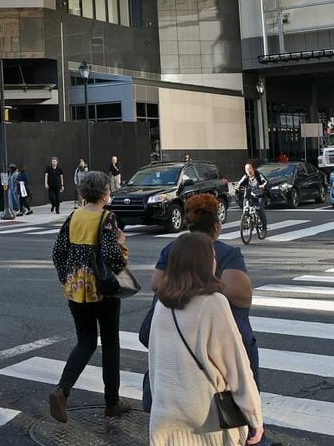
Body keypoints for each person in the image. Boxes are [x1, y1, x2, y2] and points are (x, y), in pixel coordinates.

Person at [150, 195, 274, 446]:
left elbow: (154, 361)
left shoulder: (163, 302)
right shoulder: (214, 302)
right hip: (206, 417)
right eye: (211, 256)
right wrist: (254, 416)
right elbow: (236, 365)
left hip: (166, 412)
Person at [49, 171, 130, 422]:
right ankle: (112, 403)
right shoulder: (107, 218)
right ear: (105, 194)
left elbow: (58, 253)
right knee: (110, 344)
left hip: (76, 289)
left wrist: (68, 278)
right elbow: (113, 258)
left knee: (85, 341)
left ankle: (62, 390)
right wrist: (122, 242)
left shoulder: (73, 216)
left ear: (83, 193)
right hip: (103, 291)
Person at [233, 162, 269, 232]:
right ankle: (246, 218)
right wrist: (237, 187)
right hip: (251, 196)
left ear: (253, 169)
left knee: (259, 209)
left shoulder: (258, 176)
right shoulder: (245, 177)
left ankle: (264, 226)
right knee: (245, 201)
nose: (248, 171)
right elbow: (239, 183)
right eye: (246, 169)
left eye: (250, 169)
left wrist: (262, 186)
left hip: (260, 196)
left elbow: (265, 181)